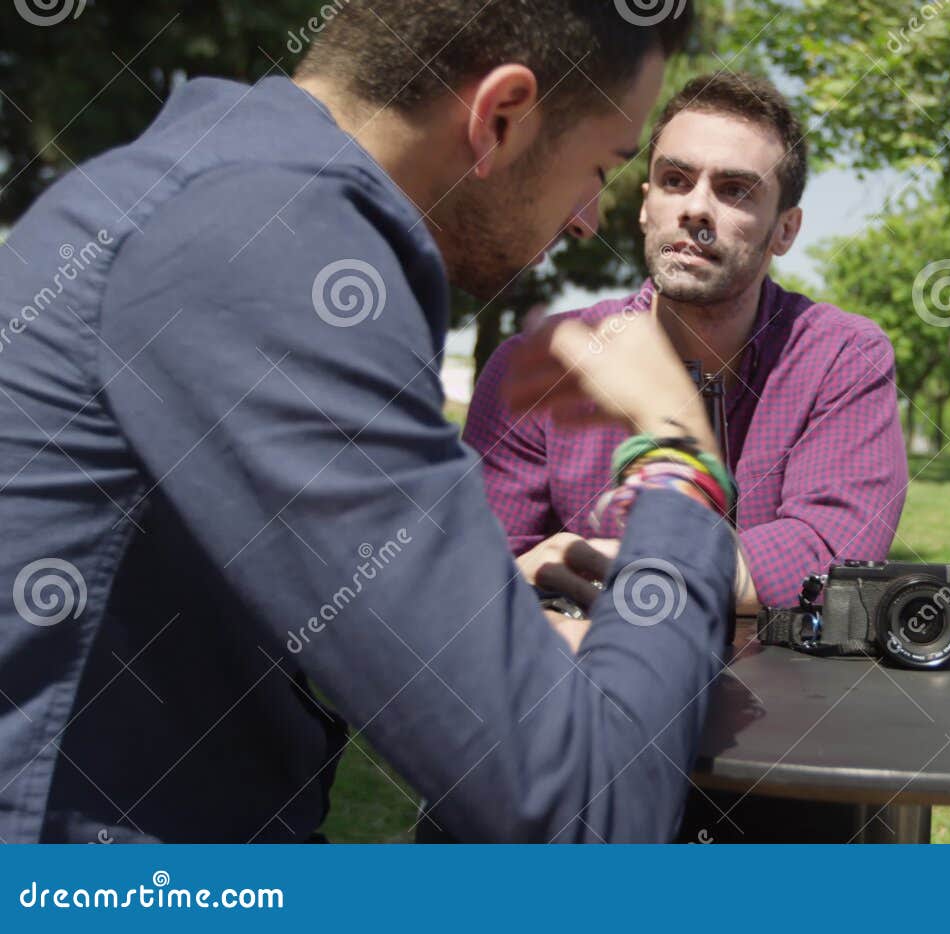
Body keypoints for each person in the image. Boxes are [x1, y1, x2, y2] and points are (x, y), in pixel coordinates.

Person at [0, 0, 736, 844]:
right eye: (604, 167)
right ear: (500, 116)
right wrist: (680, 453)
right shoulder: (268, 247)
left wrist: (489, 623)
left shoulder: (221, 189)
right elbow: (585, 817)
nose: (586, 219)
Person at [467, 71, 909, 618]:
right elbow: (479, 582)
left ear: (785, 231)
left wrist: (623, 571)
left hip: (787, 701)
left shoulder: (842, 356)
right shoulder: (541, 365)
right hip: (586, 690)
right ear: (646, 205)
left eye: (735, 190)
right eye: (676, 180)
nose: (696, 209)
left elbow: (836, 556)